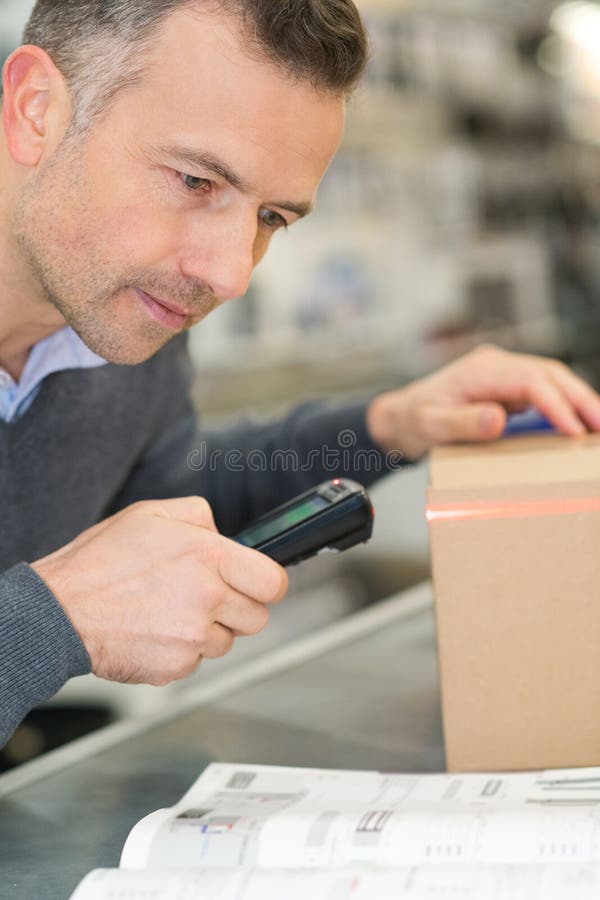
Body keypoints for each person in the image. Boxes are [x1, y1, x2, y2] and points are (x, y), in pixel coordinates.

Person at [1, 0, 600, 749]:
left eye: (271, 219)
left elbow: (159, 490)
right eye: (193, 181)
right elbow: (65, 598)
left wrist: (388, 427)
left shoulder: (126, 315)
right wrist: (51, 620)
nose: (227, 275)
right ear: (34, 111)